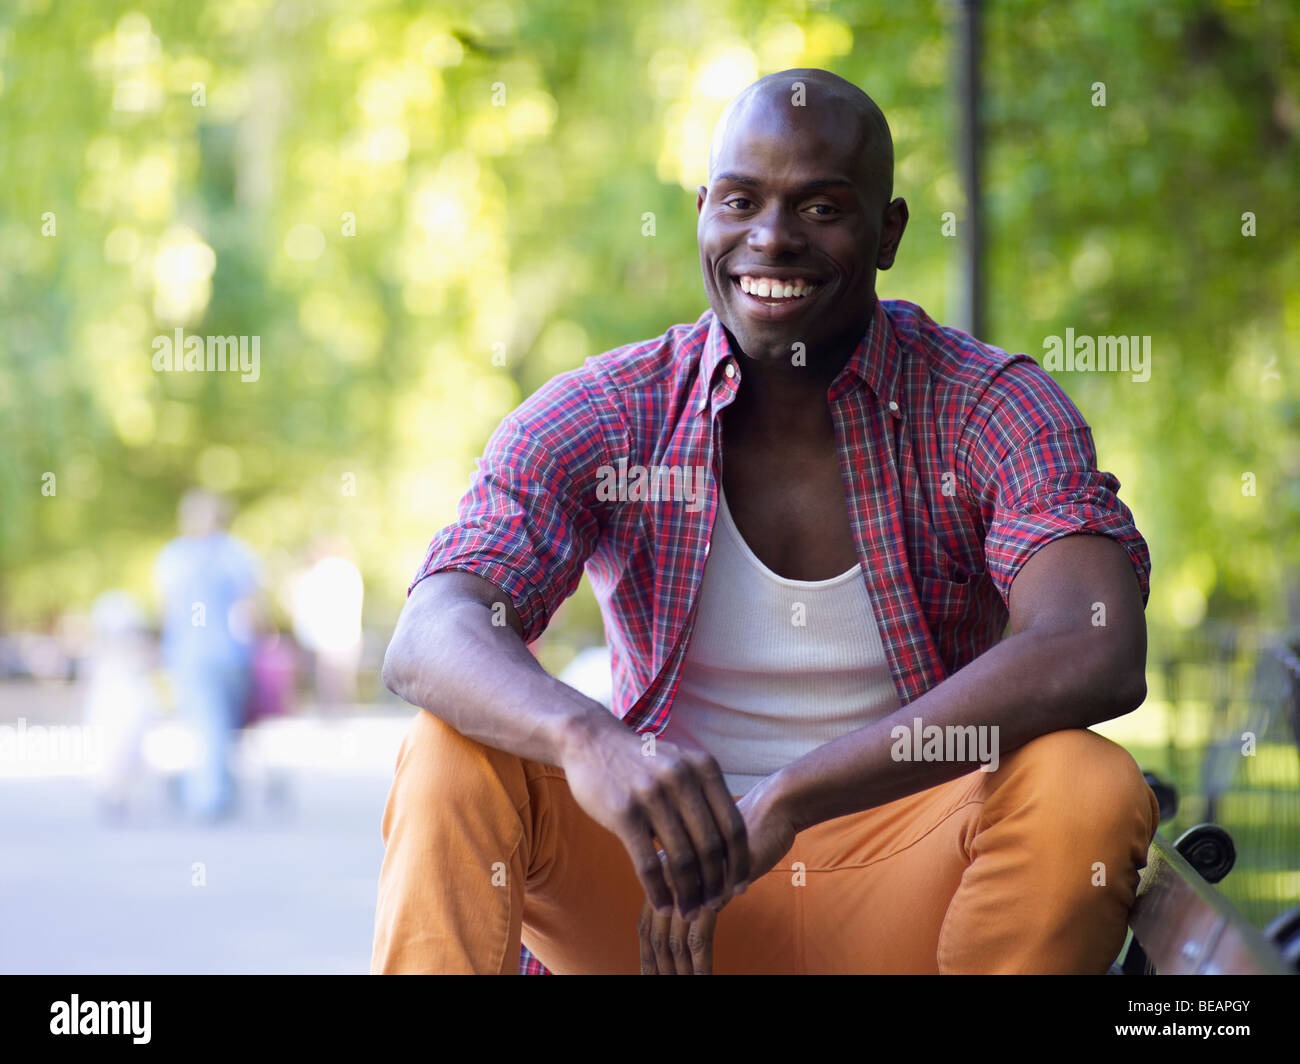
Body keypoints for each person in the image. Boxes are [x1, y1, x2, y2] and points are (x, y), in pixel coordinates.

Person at [372, 69, 1159, 974]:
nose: (771, 239)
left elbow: (1093, 644)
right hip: (662, 897)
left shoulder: (986, 406)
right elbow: (430, 630)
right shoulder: (610, 412)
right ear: (704, 209)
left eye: (821, 208)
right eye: (741, 201)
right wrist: (586, 737)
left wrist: (790, 796)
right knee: (450, 749)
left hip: (909, 891)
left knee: (1082, 782)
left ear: (888, 230)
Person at [155, 490, 261, 822]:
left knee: (209, 723)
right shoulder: (236, 554)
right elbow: (250, 609)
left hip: (197, 653)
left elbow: (167, 610)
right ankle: (213, 792)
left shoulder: (175, 557)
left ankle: (210, 793)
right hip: (226, 653)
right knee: (218, 723)